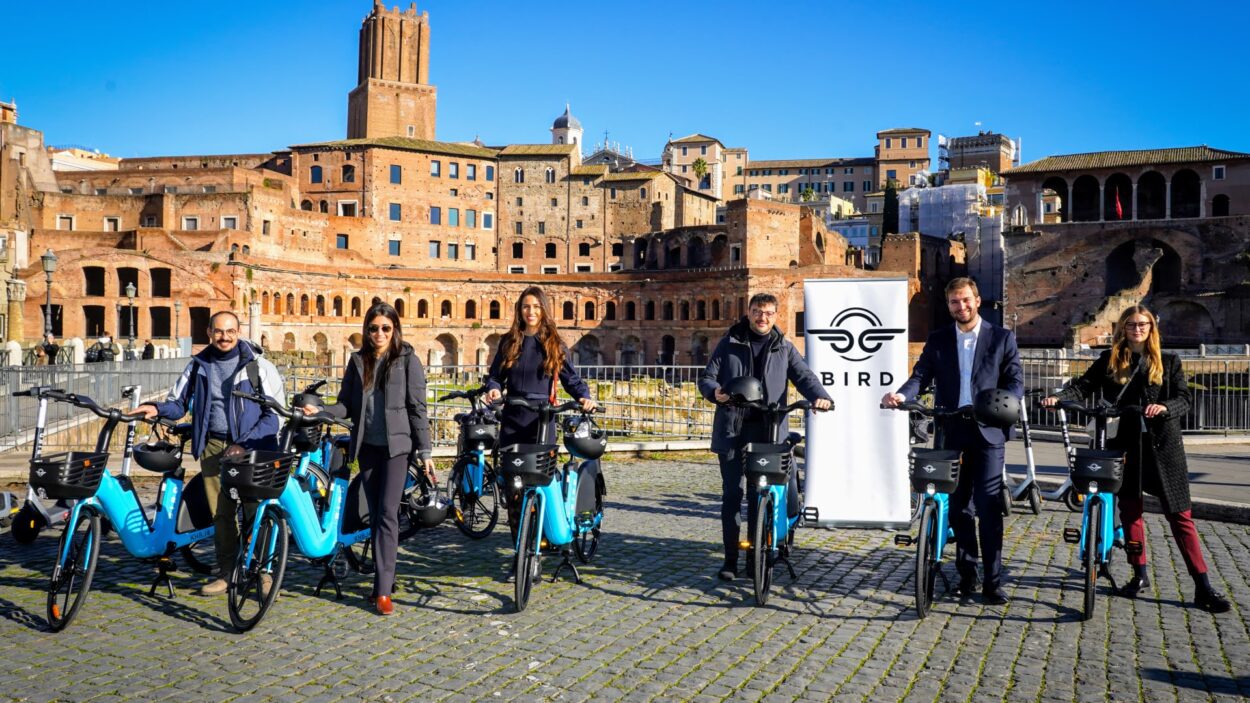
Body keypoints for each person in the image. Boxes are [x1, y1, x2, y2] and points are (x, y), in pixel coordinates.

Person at [1042, 305, 1230, 613]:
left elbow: (1184, 397)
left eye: (1143, 324)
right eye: (1131, 324)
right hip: (1125, 446)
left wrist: (1165, 407)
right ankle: (1138, 573)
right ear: (1123, 328)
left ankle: (1203, 585)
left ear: (1151, 328)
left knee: (1180, 518)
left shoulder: (1168, 361)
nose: (1137, 329)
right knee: (1130, 513)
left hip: (1163, 448)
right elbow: (1083, 387)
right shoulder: (1111, 360)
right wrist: (1059, 399)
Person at [882, 277, 1022, 605]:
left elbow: (1014, 379)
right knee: (958, 507)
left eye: (966, 300)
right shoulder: (939, 339)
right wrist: (902, 395)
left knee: (988, 506)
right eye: (954, 302)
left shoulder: (1002, 338)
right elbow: (920, 376)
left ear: (977, 300)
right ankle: (967, 573)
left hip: (987, 430)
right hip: (949, 429)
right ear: (949, 306)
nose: (961, 307)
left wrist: (1007, 404)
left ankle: (992, 579)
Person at [136, 311, 285, 595]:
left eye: (230, 331)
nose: (224, 337)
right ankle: (227, 572)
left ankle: (261, 572)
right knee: (222, 513)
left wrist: (245, 442)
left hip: (252, 449)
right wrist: (157, 408)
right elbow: (178, 403)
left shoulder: (258, 366)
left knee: (255, 511)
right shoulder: (199, 365)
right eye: (218, 331)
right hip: (215, 447)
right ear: (209, 332)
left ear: (238, 331)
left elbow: (274, 415)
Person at [309, 302, 434, 616]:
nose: (379, 333)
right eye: (374, 328)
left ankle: (382, 590)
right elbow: (346, 406)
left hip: (398, 448)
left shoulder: (408, 360)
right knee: (376, 512)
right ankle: (385, 581)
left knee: (388, 515)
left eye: (386, 328)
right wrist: (321, 411)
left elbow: (418, 408)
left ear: (395, 329)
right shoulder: (357, 361)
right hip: (366, 448)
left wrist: (426, 451)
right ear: (366, 330)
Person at [698, 292, 832, 582]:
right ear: (749, 312)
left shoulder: (783, 347)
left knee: (761, 495)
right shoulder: (729, 343)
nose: (763, 317)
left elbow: (804, 376)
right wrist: (714, 392)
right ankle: (731, 560)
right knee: (732, 494)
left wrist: (820, 397)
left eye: (769, 313)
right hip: (733, 428)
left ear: (776, 315)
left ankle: (754, 557)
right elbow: (708, 377)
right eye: (758, 311)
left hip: (769, 431)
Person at [484, 286, 597, 577]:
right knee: (513, 492)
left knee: (539, 486)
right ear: (519, 311)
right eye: (525, 307)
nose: (530, 312)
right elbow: (495, 376)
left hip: (542, 422)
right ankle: (520, 552)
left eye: (535, 306)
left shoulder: (554, 344)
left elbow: (571, 379)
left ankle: (538, 548)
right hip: (513, 419)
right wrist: (494, 390)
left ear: (543, 310)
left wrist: (584, 396)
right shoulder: (510, 341)